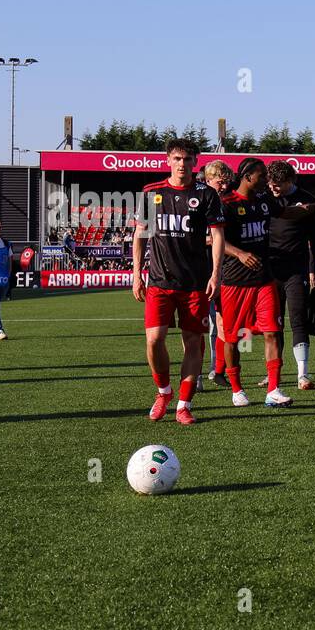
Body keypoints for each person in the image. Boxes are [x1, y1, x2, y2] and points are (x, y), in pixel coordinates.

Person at [132, 140, 225, 424]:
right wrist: (136, 272)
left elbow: (218, 236)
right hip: (159, 281)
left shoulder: (207, 194)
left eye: (187, 159)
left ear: (196, 162)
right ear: (168, 160)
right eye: (176, 158)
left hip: (195, 283)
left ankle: (184, 404)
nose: (182, 164)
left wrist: (216, 273)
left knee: (193, 343)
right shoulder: (152, 192)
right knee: (154, 341)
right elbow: (140, 235)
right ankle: (164, 392)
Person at [219, 157, 289, 408]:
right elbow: (213, 239)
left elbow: (285, 211)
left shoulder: (264, 201)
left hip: (264, 280)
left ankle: (273, 389)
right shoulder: (225, 203)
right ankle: (237, 389)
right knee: (234, 338)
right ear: (248, 177)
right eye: (262, 176)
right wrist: (239, 253)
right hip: (235, 282)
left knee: (272, 331)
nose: (266, 181)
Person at [265, 160, 315, 390]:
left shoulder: (306, 198)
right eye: (270, 183)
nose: (273, 188)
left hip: (296, 269)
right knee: (271, 324)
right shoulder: (264, 197)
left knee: (298, 318)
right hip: (270, 269)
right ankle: (272, 374)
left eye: (278, 184)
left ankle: (302, 374)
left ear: (290, 180)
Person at [201, 160, 234, 388]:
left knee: (221, 324)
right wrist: (210, 239)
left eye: (225, 182)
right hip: (198, 270)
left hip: (224, 271)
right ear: (208, 179)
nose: (223, 186)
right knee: (196, 327)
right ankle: (196, 375)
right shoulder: (198, 200)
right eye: (219, 182)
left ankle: (216, 368)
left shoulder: (228, 203)